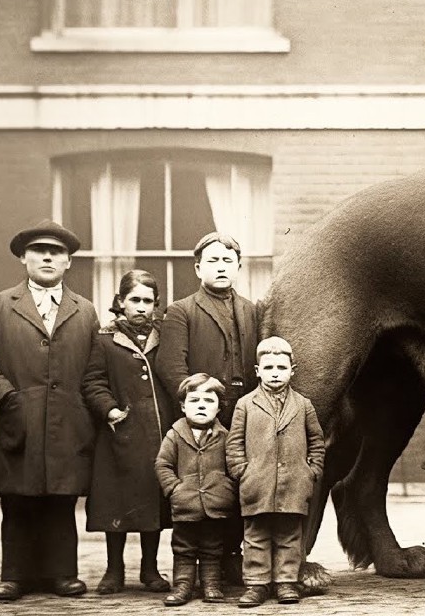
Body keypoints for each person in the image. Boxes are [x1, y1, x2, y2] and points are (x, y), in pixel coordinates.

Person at [0, 220, 99, 602]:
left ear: (68, 262)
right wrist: (7, 398)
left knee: (61, 500)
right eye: (39, 251)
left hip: (67, 421)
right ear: (23, 258)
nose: (48, 257)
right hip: (16, 418)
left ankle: (62, 574)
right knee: (17, 499)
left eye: (57, 252)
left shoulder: (84, 311)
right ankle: (14, 576)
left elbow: (93, 370)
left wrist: (84, 412)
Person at [155, 232, 259, 584]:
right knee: (201, 489)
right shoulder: (181, 310)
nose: (221, 267)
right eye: (213, 261)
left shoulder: (251, 310)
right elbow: (171, 367)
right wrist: (200, 406)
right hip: (201, 419)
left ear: (239, 267)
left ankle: (230, 559)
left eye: (227, 261)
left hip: (240, 414)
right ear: (198, 268)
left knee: (234, 485)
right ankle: (191, 569)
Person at [83, 269, 175, 594]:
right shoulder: (105, 340)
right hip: (118, 435)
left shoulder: (166, 338)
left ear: (156, 305)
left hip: (160, 435)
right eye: (134, 300)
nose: (141, 307)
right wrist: (108, 408)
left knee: (153, 502)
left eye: (148, 301)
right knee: (117, 503)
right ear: (120, 302)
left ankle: (150, 569)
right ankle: (114, 569)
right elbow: (92, 381)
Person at [226, 337, 326, 607]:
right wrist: (241, 471)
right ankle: (257, 585)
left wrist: (311, 471)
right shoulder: (245, 404)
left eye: (281, 368)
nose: (275, 374)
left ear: (292, 370)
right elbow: (234, 443)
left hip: (294, 483)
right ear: (258, 371)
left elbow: (317, 441)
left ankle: (285, 583)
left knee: (289, 536)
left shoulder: (304, 405)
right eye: (268, 368)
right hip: (256, 483)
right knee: (256, 537)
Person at [154, 373, 239, 606]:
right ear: (182, 406)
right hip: (185, 505)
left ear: (219, 408)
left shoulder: (225, 436)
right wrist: (174, 489)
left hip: (216, 504)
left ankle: (211, 585)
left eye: (208, 401)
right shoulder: (175, 435)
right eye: (194, 400)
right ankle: (183, 586)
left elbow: (233, 465)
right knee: (183, 548)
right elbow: (163, 464)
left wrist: (227, 489)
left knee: (213, 548)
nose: (201, 405)